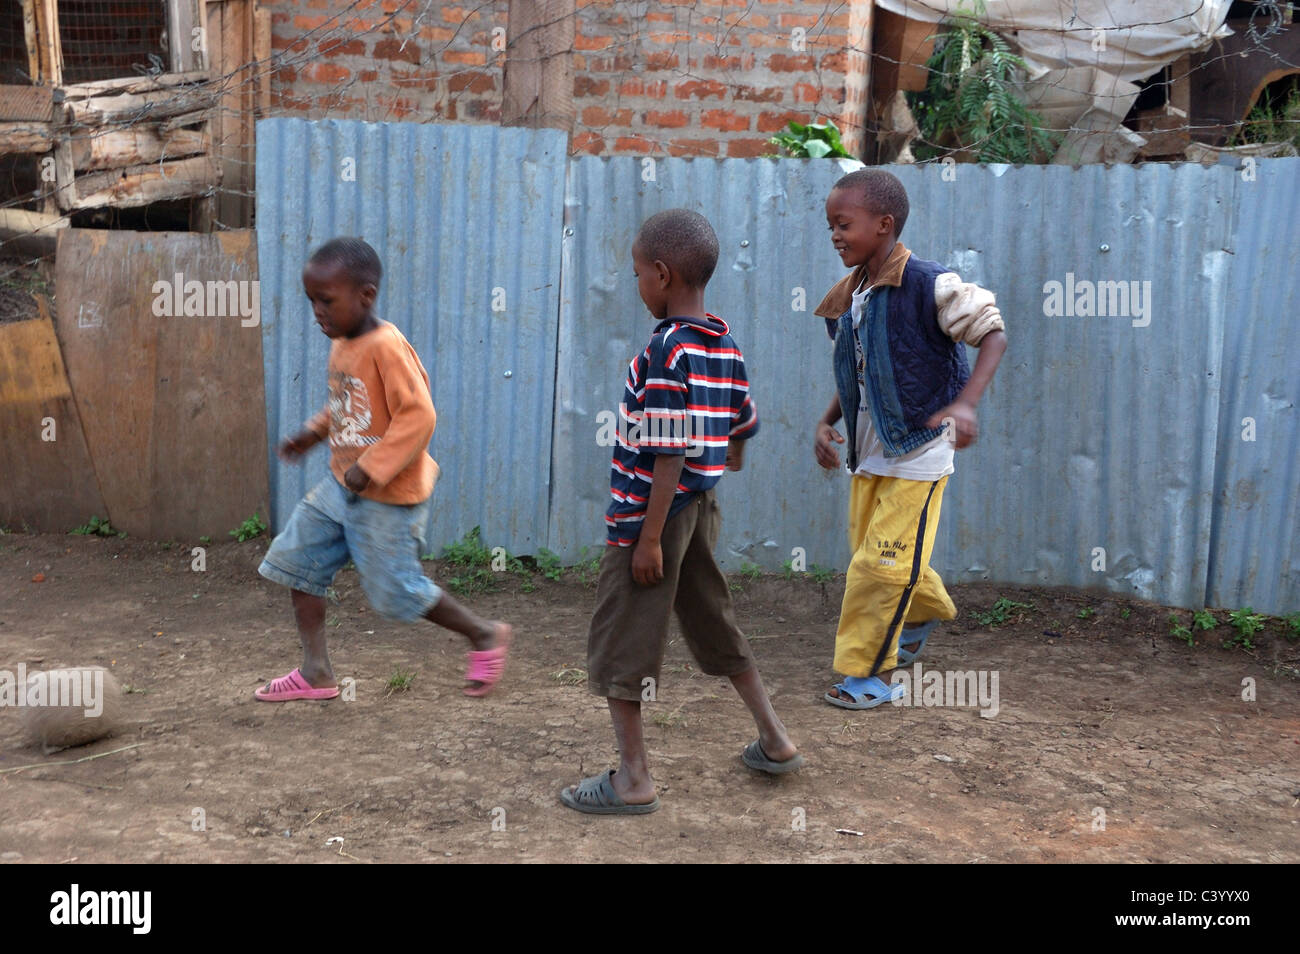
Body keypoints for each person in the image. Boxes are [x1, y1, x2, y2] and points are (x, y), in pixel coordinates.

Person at [560, 209, 801, 815]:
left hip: (654, 517)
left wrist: (647, 540)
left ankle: (633, 779)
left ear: (662, 275)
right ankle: (774, 739)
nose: (638, 285)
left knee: (624, 641)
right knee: (714, 620)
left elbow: (665, 449)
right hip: (699, 508)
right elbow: (744, 422)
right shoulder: (723, 340)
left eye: (639, 274)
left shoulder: (666, 348)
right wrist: (721, 462)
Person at [256, 237, 511, 702]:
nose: (317, 311)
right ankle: (316, 672)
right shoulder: (343, 343)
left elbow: (419, 415)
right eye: (311, 300)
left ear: (365, 296)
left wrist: (372, 466)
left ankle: (483, 633)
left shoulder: (386, 346)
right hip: (340, 489)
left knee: (396, 594)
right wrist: (313, 434)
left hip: (387, 499)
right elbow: (349, 406)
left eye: (326, 300)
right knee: (296, 563)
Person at [814, 170, 1006, 709]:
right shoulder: (849, 297)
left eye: (843, 224)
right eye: (830, 225)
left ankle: (869, 674)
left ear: (884, 224)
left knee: (879, 566)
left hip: (921, 450)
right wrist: (828, 420)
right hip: (871, 451)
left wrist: (965, 403)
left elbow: (993, 333)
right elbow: (857, 371)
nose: (834, 235)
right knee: (877, 556)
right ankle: (921, 609)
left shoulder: (931, 284)